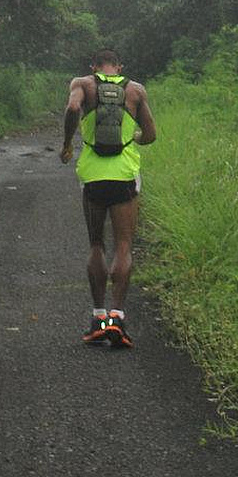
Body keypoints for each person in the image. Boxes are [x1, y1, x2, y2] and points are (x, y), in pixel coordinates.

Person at [60, 48, 156, 349]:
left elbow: (73, 108)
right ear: (119, 67)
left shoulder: (82, 84)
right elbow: (151, 135)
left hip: (93, 177)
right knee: (124, 245)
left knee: (97, 244)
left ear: (94, 67)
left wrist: (67, 143)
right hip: (124, 175)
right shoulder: (135, 90)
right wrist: (134, 137)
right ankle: (117, 316)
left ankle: (98, 317)